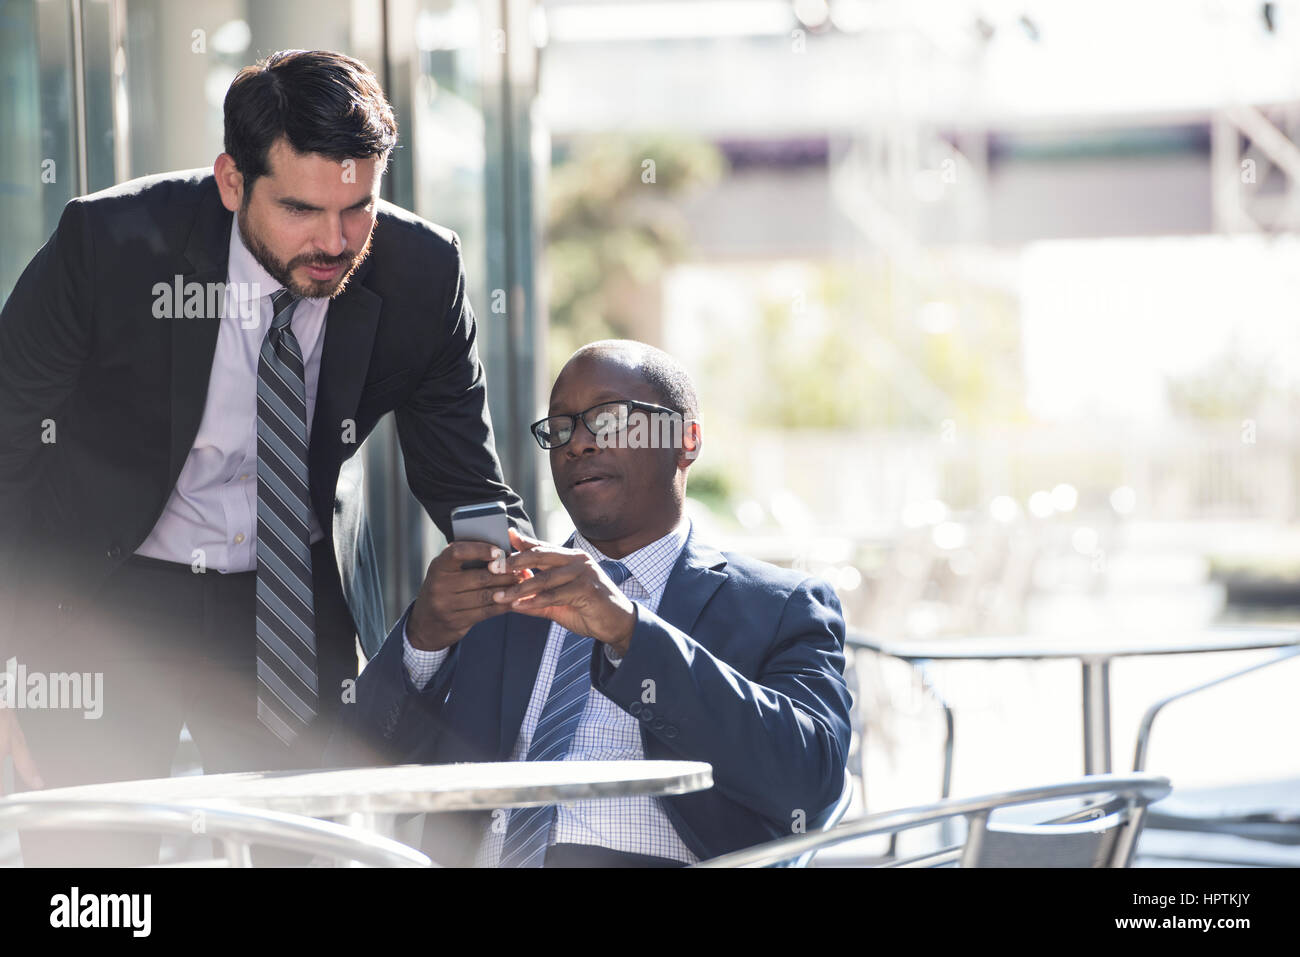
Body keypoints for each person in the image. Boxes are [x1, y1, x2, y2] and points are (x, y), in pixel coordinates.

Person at [0, 49, 528, 865]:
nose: (334, 240)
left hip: (290, 601)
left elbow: (467, 485)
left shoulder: (423, 271)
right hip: (106, 596)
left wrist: (522, 586)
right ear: (231, 180)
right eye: (301, 209)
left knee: (308, 850)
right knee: (95, 866)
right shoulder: (107, 245)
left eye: (358, 207)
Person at [338, 340, 852, 866]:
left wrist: (633, 632)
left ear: (685, 439)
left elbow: (809, 783)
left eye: (608, 420)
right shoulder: (499, 597)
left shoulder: (778, 606)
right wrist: (423, 638)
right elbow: (355, 770)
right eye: (561, 428)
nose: (577, 444)